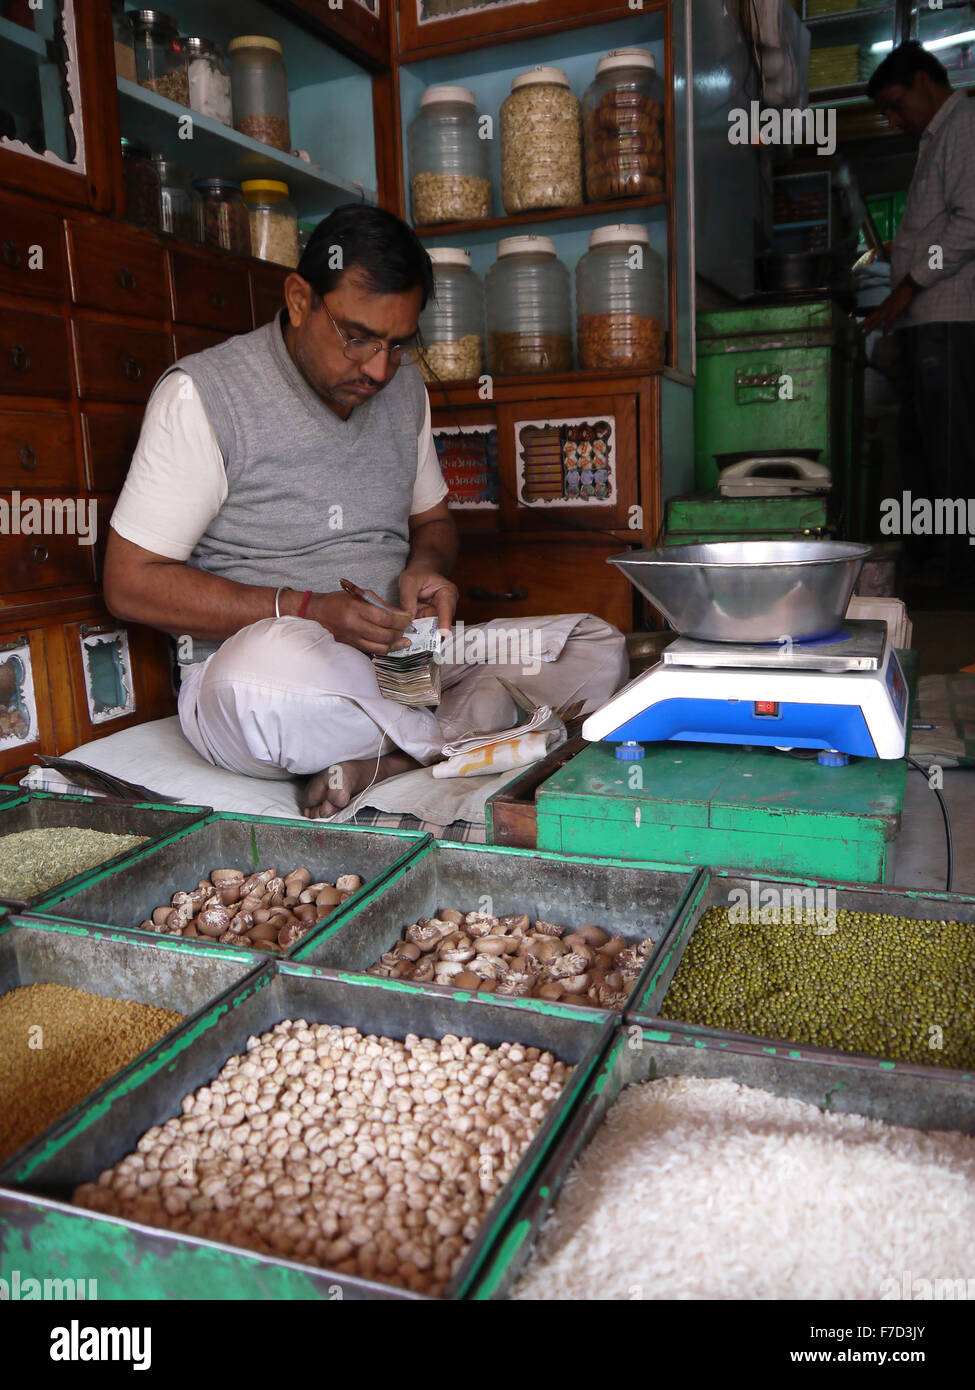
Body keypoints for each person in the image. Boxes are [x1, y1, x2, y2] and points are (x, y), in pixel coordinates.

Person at [104, 205, 628, 816]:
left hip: (403, 668)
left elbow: (432, 526)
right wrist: (308, 611)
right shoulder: (203, 396)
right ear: (300, 299)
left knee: (596, 647)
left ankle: (392, 760)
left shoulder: (403, 390)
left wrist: (425, 569)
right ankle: (473, 738)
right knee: (260, 686)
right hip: (282, 677)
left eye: (399, 344)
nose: (379, 368)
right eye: (356, 337)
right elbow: (129, 584)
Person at [863, 42, 975, 581]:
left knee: (951, 450)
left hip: (949, 319)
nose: (891, 119)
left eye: (894, 104)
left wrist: (908, 287)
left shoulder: (964, 125)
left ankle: (957, 570)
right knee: (931, 449)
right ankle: (941, 560)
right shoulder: (935, 138)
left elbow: (969, 223)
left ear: (926, 83)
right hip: (930, 323)